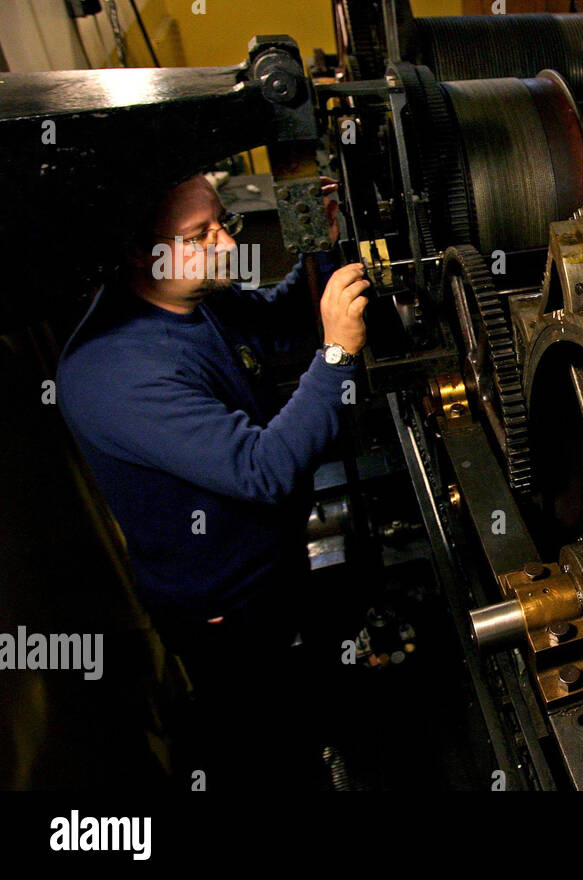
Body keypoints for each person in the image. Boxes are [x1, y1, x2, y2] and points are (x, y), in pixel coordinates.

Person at [56, 173, 370, 789]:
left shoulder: (191, 297)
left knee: (301, 687)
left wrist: (321, 246)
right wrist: (337, 357)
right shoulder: (115, 373)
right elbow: (264, 470)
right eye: (200, 234)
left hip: (271, 563)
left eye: (223, 221)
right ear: (137, 250)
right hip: (229, 608)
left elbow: (279, 322)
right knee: (268, 741)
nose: (225, 242)